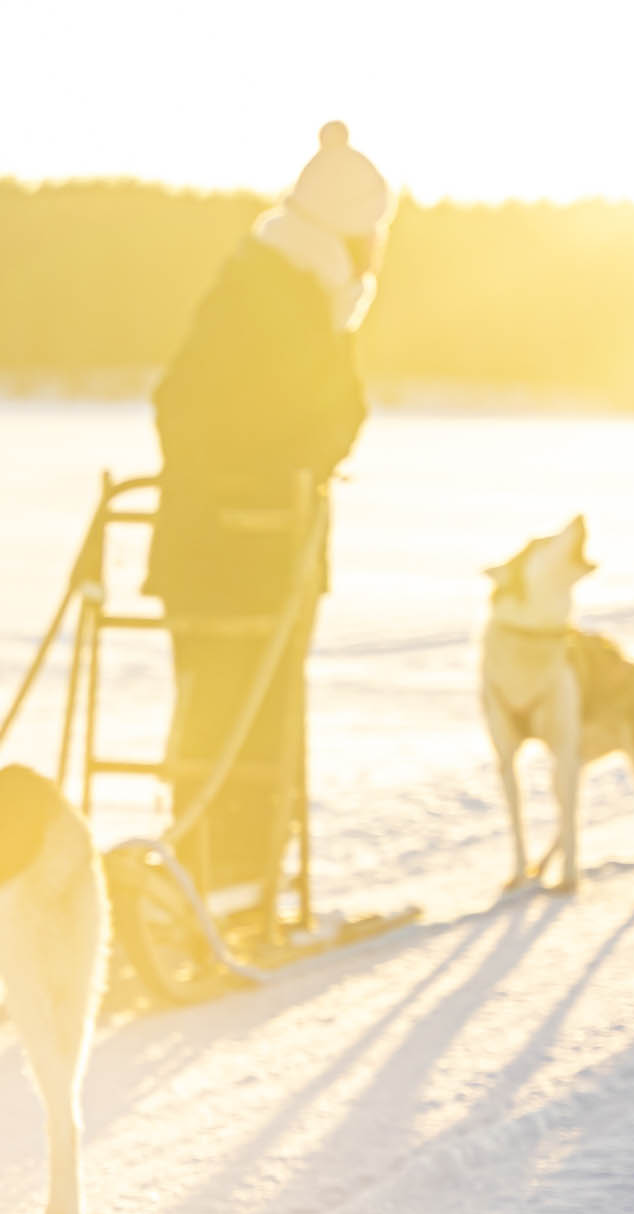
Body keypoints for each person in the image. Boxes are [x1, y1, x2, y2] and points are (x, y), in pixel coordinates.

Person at [145, 122, 394, 905]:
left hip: (198, 544)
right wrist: (277, 474)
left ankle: (202, 868)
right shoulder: (298, 301)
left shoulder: (251, 280)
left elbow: (179, 404)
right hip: (256, 547)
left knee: (206, 707)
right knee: (252, 714)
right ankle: (236, 882)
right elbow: (327, 416)